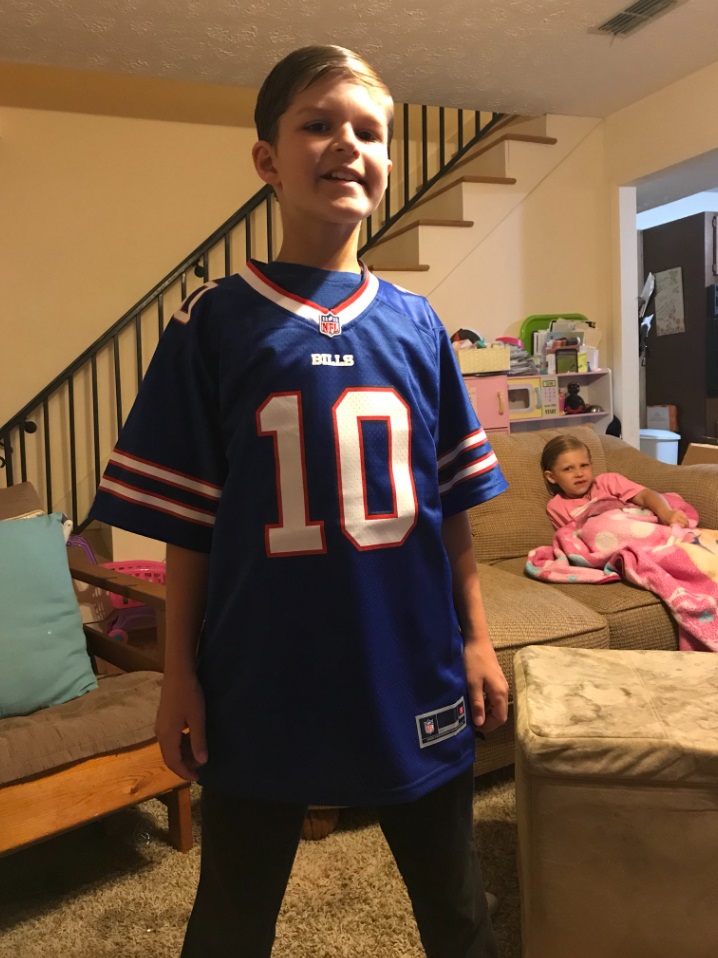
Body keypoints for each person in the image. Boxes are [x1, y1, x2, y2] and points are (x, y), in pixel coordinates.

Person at [90, 44, 509, 958]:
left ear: (389, 161)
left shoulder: (419, 324)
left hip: (416, 668)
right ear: (268, 160)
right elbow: (189, 529)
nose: (345, 146)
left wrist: (477, 638)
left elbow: (453, 509)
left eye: (368, 131)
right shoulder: (213, 323)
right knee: (234, 917)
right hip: (259, 680)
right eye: (317, 124)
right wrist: (179, 677)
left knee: (459, 910)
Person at [541, 434, 690, 530]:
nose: (579, 474)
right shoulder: (557, 506)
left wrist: (665, 512)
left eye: (584, 465)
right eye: (568, 469)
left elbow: (645, 495)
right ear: (551, 477)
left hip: (640, 526)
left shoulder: (608, 481)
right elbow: (573, 537)